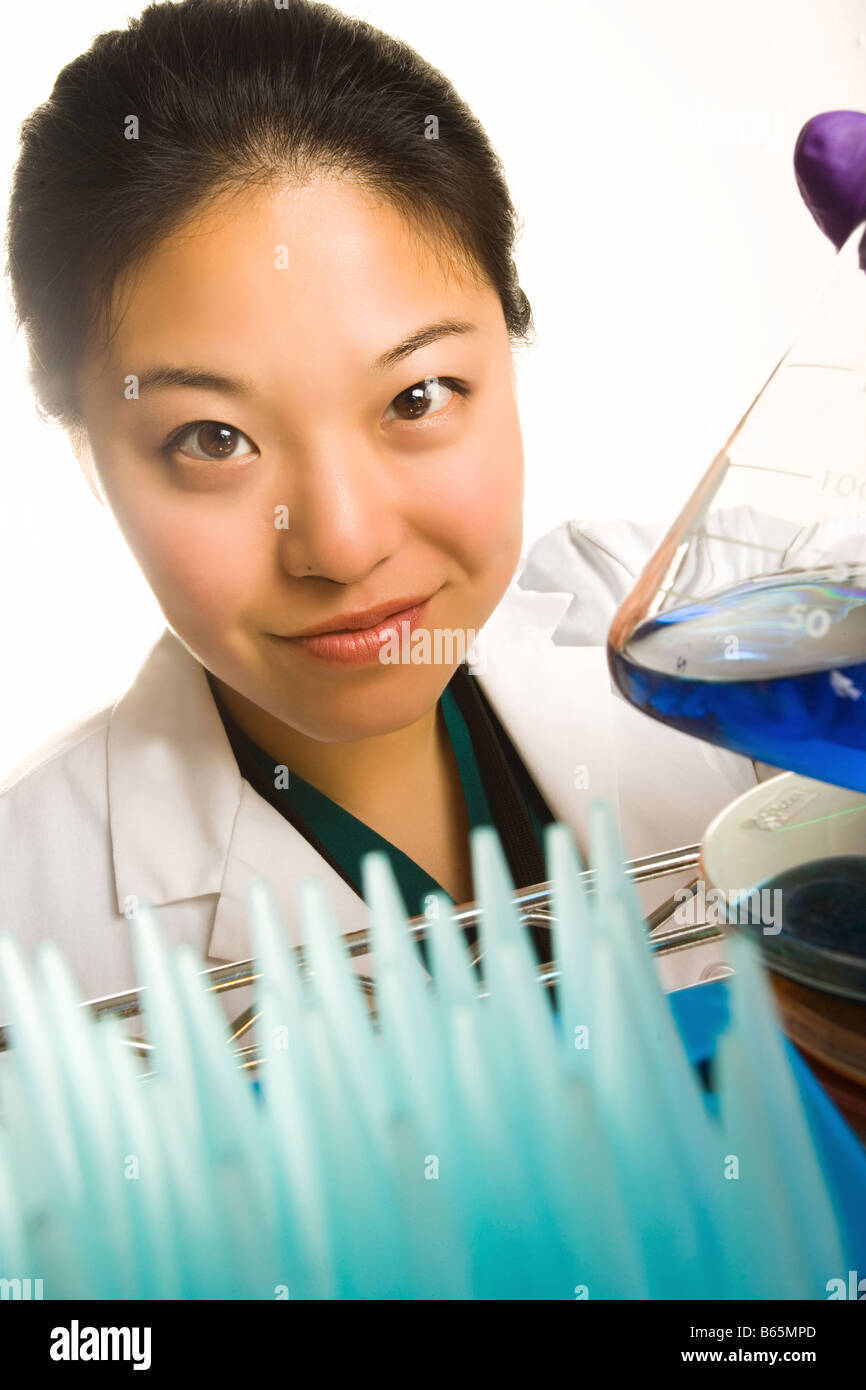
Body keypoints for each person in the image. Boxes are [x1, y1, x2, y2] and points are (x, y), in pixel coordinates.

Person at [0, 0, 859, 1007]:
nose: (344, 543)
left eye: (415, 397)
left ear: (510, 342)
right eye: (212, 439)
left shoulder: (721, 619)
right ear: (85, 452)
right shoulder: (28, 909)